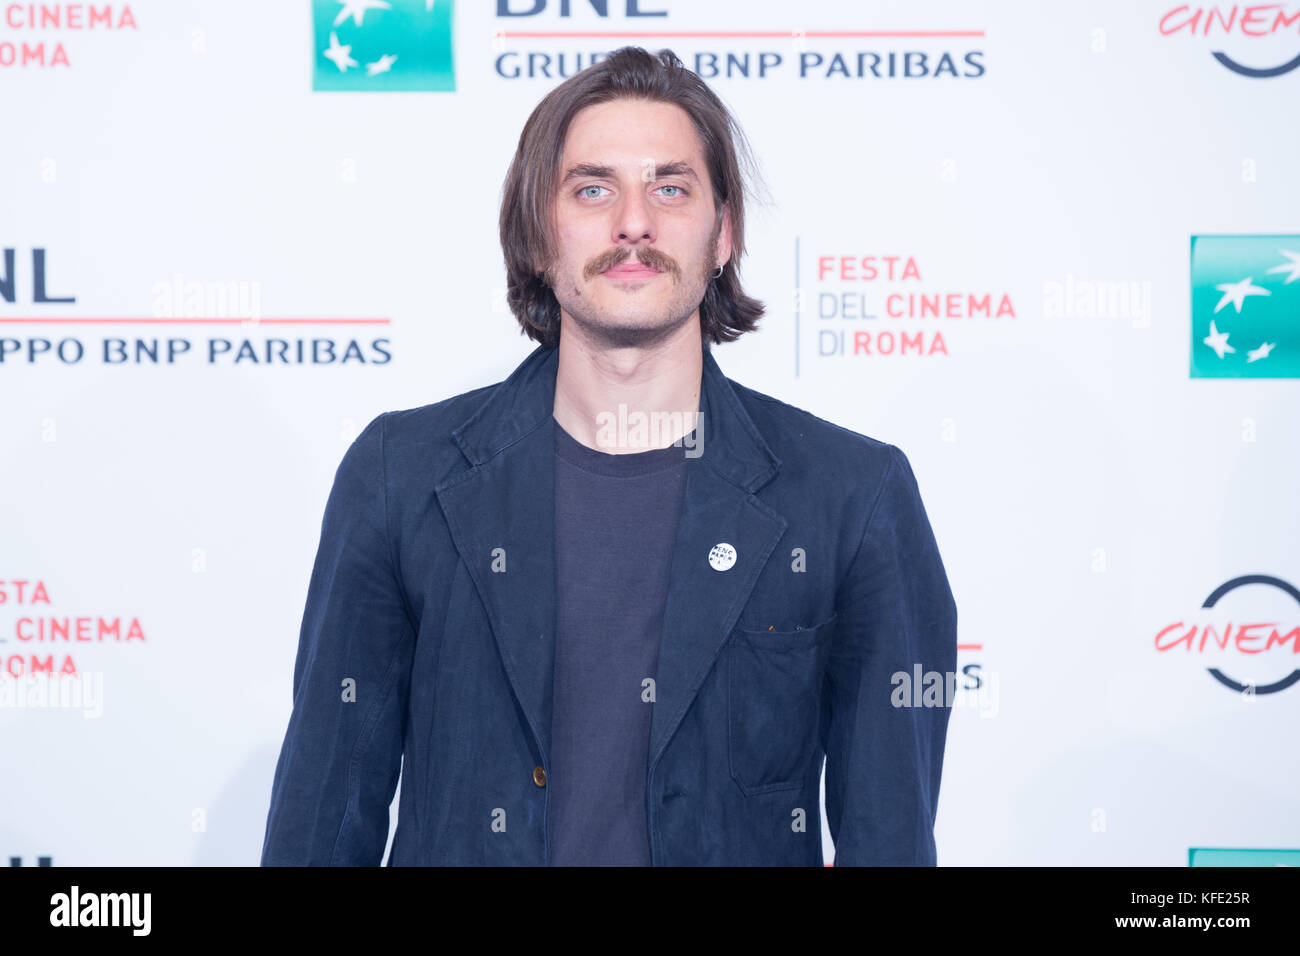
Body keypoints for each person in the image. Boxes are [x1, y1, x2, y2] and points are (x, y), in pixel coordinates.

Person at [260, 46, 957, 866]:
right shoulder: (399, 477)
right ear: (538, 236)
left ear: (724, 231)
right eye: (593, 189)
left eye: (671, 187)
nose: (635, 222)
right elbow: (320, 820)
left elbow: (892, 842)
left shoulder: (852, 497)